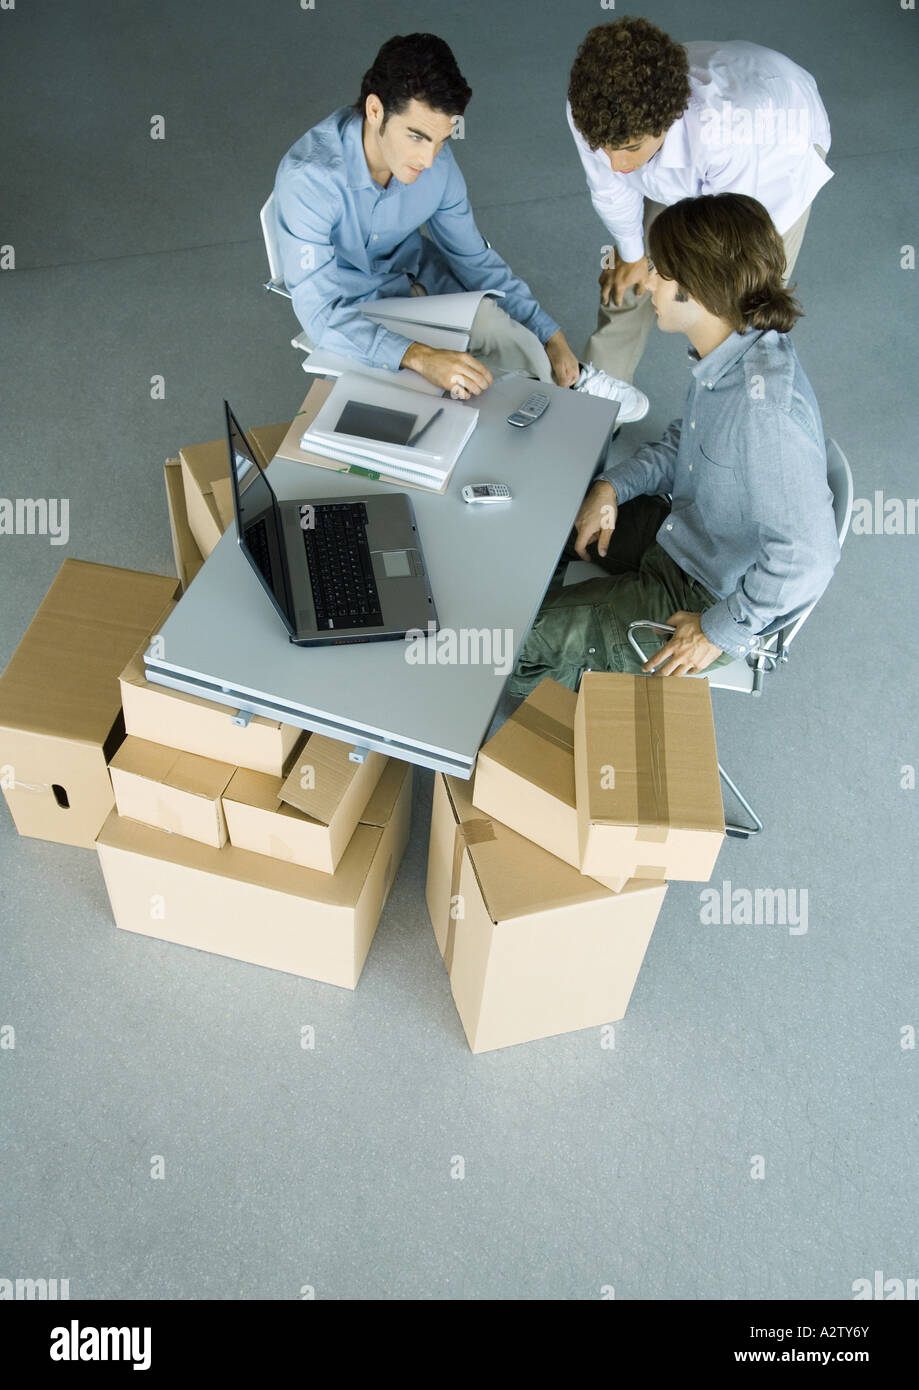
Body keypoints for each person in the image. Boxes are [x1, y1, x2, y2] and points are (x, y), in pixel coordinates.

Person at [508, 193, 840, 699]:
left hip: (701, 594)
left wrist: (716, 631)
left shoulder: (764, 413)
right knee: (550, 510)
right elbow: (683, 445)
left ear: (699, 286)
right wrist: (610, 487)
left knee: (511, 645)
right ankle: (579, 621)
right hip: (680, 533)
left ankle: (595, 703)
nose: (647, 283)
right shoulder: (728, 356)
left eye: (661, 271)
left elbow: (810, 558)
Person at [273, 32, 648, 420]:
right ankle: (562, 407)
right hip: (351, 313)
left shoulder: (439, 167)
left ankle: (569, 387)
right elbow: (321, 314)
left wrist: (551, 334)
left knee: (504, 331)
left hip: (416, 286)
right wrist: (420, 357)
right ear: (374, 111)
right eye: (416, 137)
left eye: (441, 140)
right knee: (477, 382)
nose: (429, 159)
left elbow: (474, 259)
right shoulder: (310, 180)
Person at [567, 17, 833, 383]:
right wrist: (633, 256)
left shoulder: (725, 133)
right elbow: (609, 186)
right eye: (604, 149)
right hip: (691, 154)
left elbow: (733, 234)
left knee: (741, 310)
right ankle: (600, 398)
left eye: (629, 148)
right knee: (629, 277)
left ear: (667, 121)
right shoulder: (590, 109)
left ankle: (729, 407)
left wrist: (689, 297)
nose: (616, 164)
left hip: (776, 153)